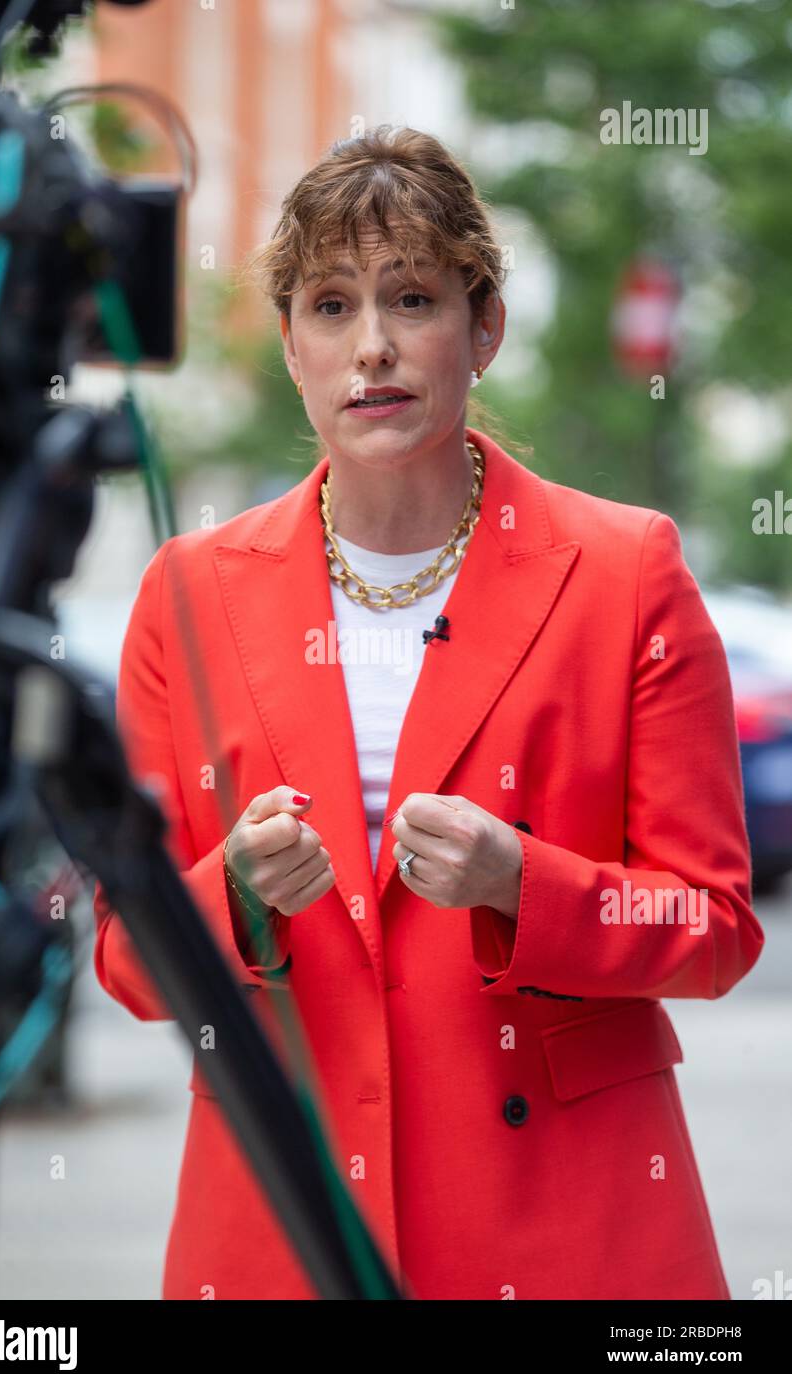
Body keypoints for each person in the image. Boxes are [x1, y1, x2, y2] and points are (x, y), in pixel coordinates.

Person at [93, 125, 763, 1301]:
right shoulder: (188, 594)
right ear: (289, 345)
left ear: (483, 325)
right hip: (284, 1222)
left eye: (412, 297)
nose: (373, 348)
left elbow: (710, 925)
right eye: (329, 304)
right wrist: (237, 898)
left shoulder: (625, 571)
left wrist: (524, 881)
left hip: (568, 1229)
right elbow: (128, 957)